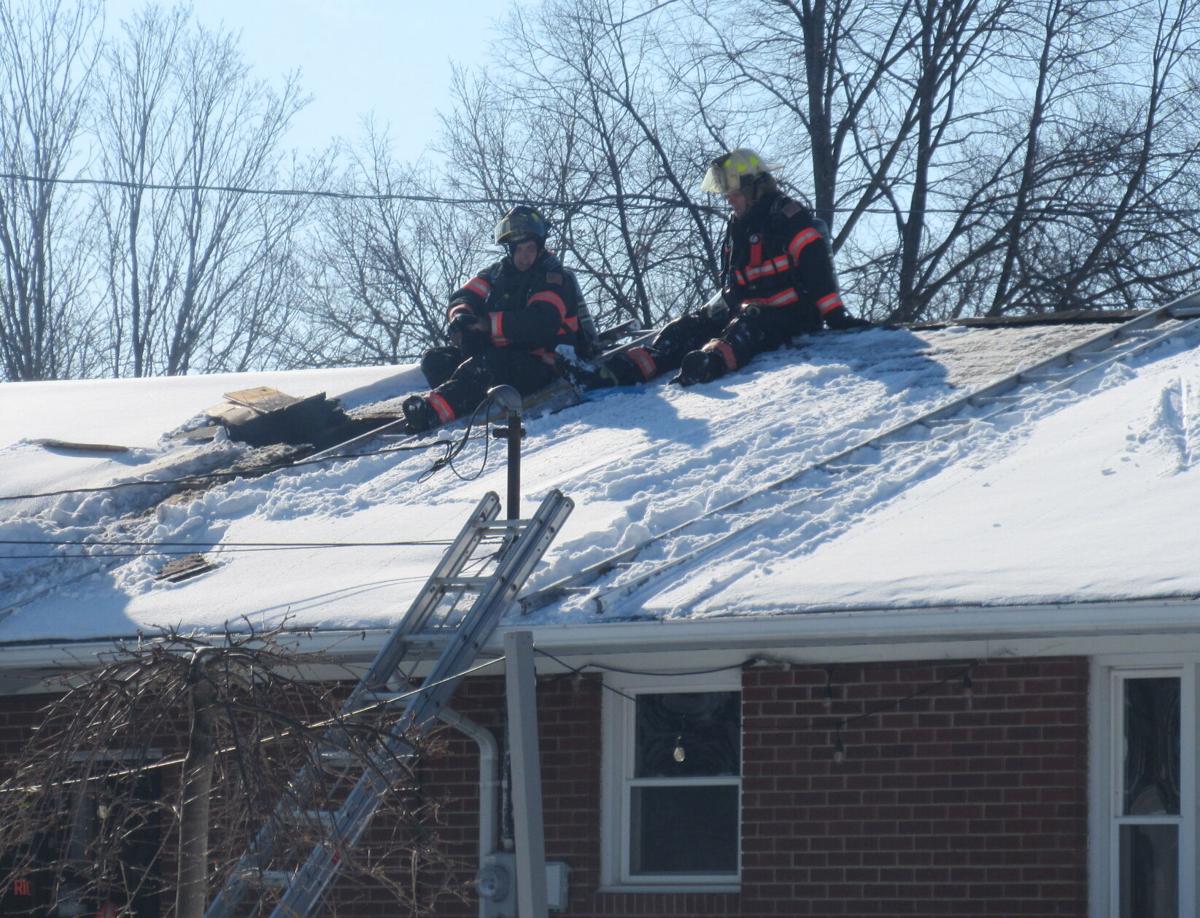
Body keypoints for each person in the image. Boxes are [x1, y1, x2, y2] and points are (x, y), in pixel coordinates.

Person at [585, 148, 869, 389]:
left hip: (791, 316)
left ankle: (709, 364)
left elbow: (817, 269)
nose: (727, 199)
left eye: (733, 192)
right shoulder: (738, 228)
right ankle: (625, 370)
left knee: (748, 326)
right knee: (686, 328)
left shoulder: (787, 218)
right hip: (746, 311)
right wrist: (711, 314)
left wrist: (836, 315)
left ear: (754, 188)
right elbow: (733, 285)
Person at [402, 205, 590, 432]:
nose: (525, 256)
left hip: (543, 363)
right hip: (503, 356)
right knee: (436, 360)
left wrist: (487, 325)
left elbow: (540, 323)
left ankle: (432, 413)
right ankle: (461, 398)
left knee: (486, 365)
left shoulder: (553, 278)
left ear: (539, 247)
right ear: (510, 250)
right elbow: (464, 296)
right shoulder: (497, 274)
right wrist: (462, 317)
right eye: (519, 249)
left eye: (530, 248)